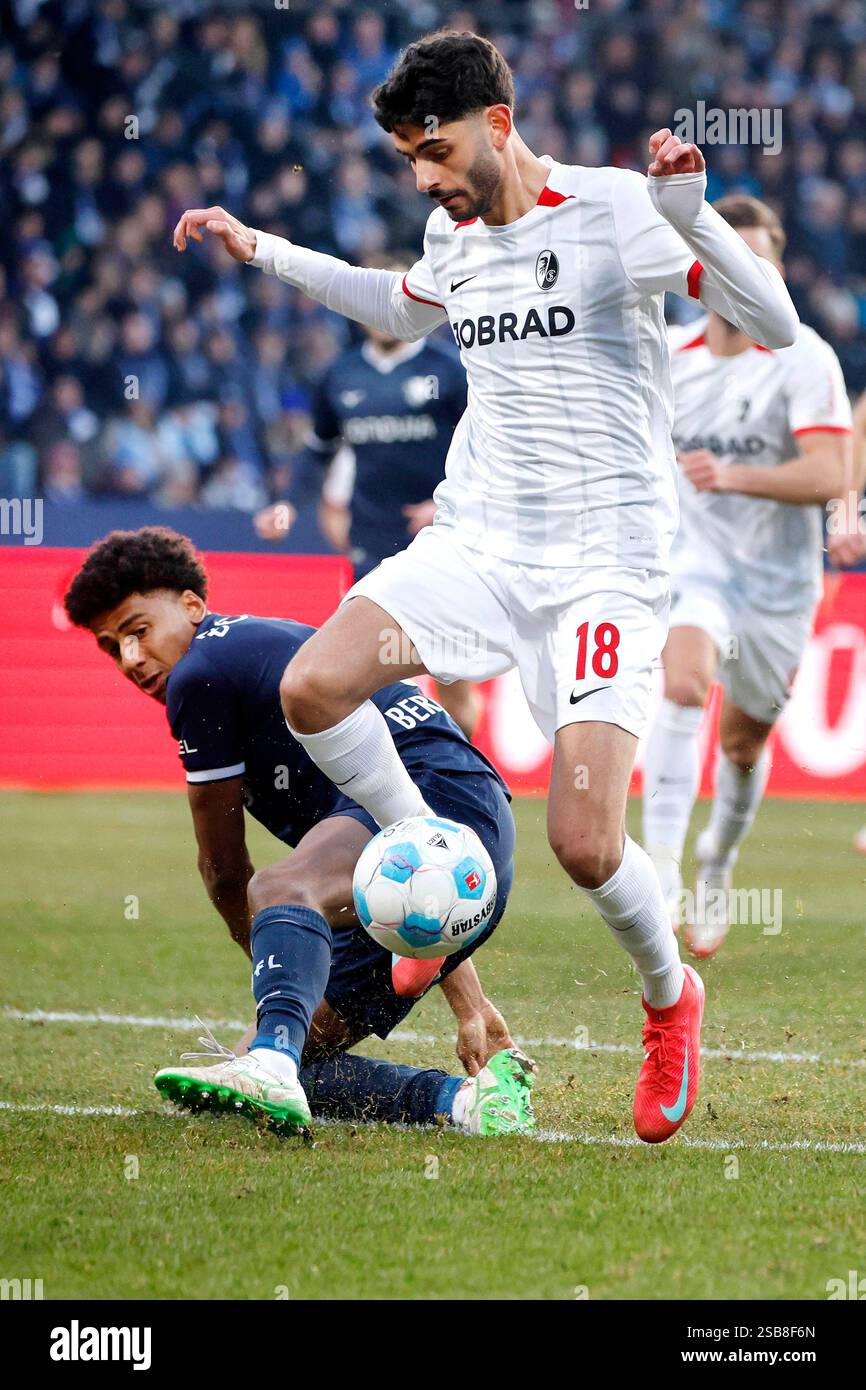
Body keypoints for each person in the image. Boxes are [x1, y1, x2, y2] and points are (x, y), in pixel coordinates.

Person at [172, 30, 799, 1143]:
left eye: (437, 148)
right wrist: (256, 245)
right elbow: (392, 306)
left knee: (585, 846)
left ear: (499, 123)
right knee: (312, 685)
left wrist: (692, 213)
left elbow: (776, 324)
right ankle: (437, 864)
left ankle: (668, 996)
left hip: (605, 560)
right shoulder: (448, 234)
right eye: (410, 157)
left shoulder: (618, 210)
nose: (424, 174)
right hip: (480, 541)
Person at [63, 526, 534, 1137]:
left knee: (281, 893)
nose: (130, 659)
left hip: (439, 791)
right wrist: (473, 1009)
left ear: (190, 606)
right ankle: (469, 1102)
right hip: (465, 819)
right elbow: (405, 876)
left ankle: (272, 1061)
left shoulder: (199, 674)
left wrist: (274, 959)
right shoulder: (245, 656)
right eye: (112, 647)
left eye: (138, 631)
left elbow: (226, 870)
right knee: (252, 1071)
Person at [642, 195, 852, 957]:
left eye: (757, 259)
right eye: (730, 256)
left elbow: (830, 470)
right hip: (692, 568)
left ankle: (716, 866)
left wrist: (729, 473)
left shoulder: (803, 357)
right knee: (684, 683)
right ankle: (660, 874)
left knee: (742, 744)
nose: (743, 273)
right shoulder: (667, 353)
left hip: (779, 585)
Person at [254, 258, 480, 736]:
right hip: (372, 540)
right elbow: (318, 450)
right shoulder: (340, 376)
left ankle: (463, 788)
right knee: (371, 678)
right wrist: (288, 502)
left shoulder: (452, 368)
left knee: (453, 679)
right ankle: (402, 793)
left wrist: (447, 503)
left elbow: (489, 445)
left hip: (446, 538)